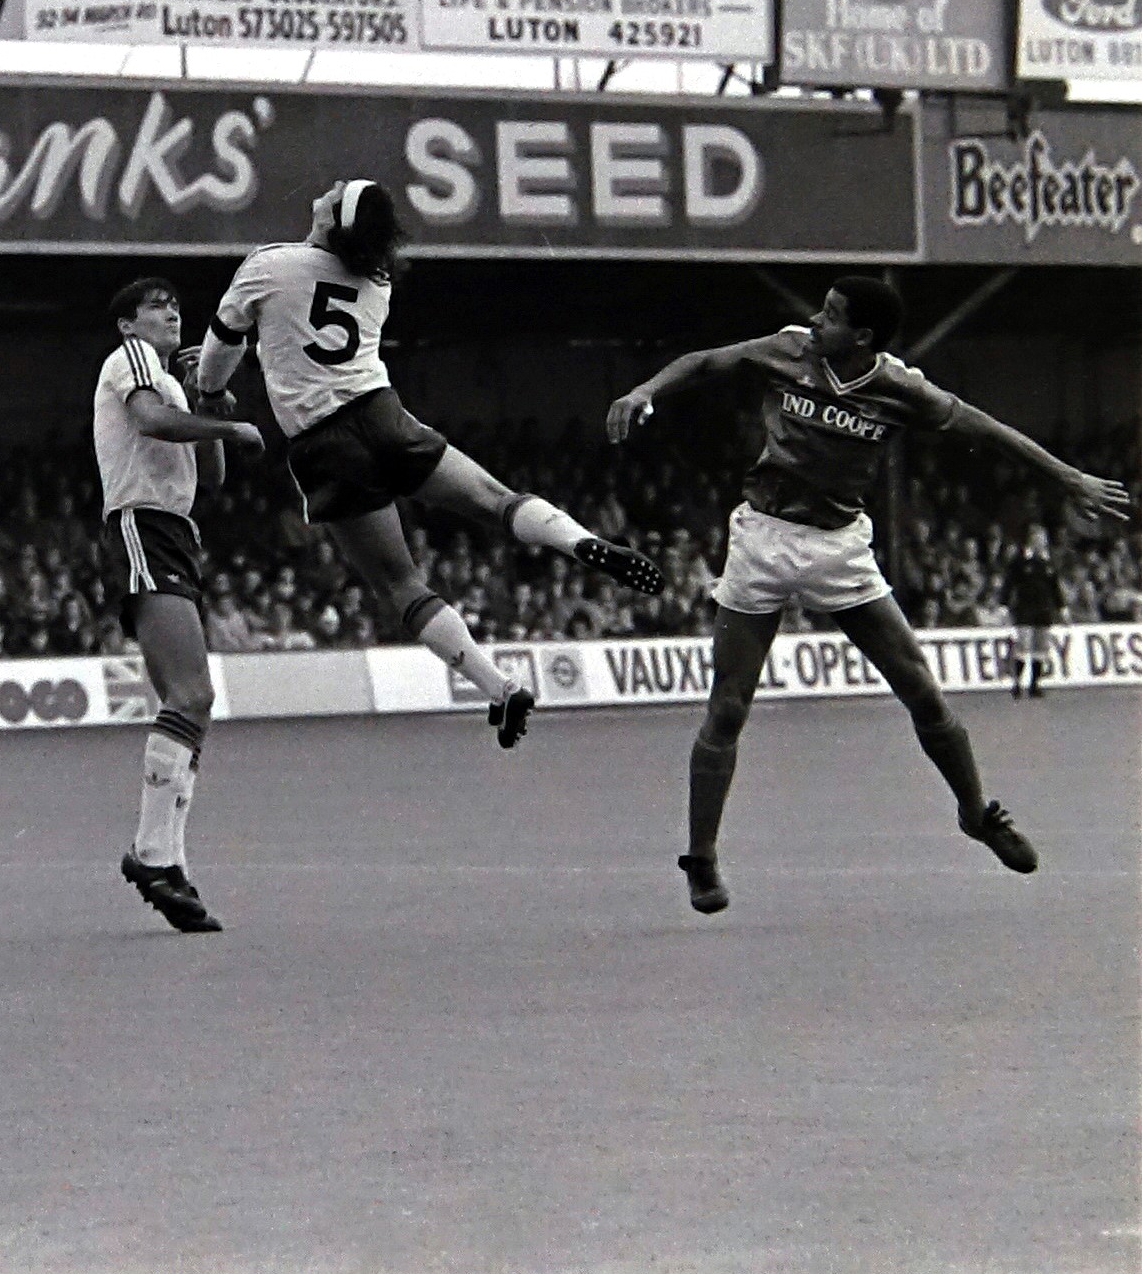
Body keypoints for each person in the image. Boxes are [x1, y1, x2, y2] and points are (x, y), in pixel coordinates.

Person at [607, 277, 1130, 913]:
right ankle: (702, 859)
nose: (813, 319)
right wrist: (644, 390)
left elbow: (987, 429)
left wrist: (1067, 477)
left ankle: (975, 811)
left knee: (923, 691)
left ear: (862, 337)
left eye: (829, 315)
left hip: (840, 551)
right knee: (727, 710)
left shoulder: (899, 387)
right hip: (762, 540)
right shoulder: (791, 350)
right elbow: (708, 361)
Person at [194, 179, 662, 748]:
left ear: (333, 218)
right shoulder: (376, 282)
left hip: (326, 444)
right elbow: (296, 335)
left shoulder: (269, 265)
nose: (328, 187)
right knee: (497, 499)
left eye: (337, 190)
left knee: (401, 585)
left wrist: (212, 390)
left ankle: (499, 687)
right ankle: (578, 542)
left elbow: (225, 347)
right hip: (384, 413)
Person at [95, 278, 266, 933]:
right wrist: (226, 420)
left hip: (174, 530)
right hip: (143, 523)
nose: (171, 312)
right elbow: (148, 422)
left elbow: (211, 474)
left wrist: (205, 400)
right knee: (190, 694)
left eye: (175, 303)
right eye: (155, 305)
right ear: (126, 323)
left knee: (191, 701)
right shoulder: (133, 362)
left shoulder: (171, 382)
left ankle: (162, 856)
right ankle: (153, 855)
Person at [1002, 524, 1065, 700]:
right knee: (1023, 645)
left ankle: (1035, 684)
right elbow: (1009, 583)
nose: (1041, 542)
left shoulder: (1048, 562)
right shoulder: (1020, 560)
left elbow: (1055, 586)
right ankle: (1016, 684)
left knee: (1041, 648)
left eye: (1043, 538)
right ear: (1031, 539)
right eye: (1038, 538)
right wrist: (1004, 604)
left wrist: (1062, 607)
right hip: (1024, 608)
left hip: (1043, 609)